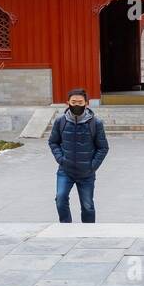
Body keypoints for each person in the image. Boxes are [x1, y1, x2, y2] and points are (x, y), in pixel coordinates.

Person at [48, 88, 109, 223]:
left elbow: (103, 147)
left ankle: (88, 232)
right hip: (65, 170)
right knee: (60, 199)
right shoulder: (60, 121)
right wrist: (61, 159)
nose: (76, 105)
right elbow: (53, 142)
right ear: (67, 103)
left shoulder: (95, 123)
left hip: (86, 173)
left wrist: (92, 166)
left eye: (80, 102)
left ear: (86, 104)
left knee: (87, 206)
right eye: (73, 102)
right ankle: (66, 227)